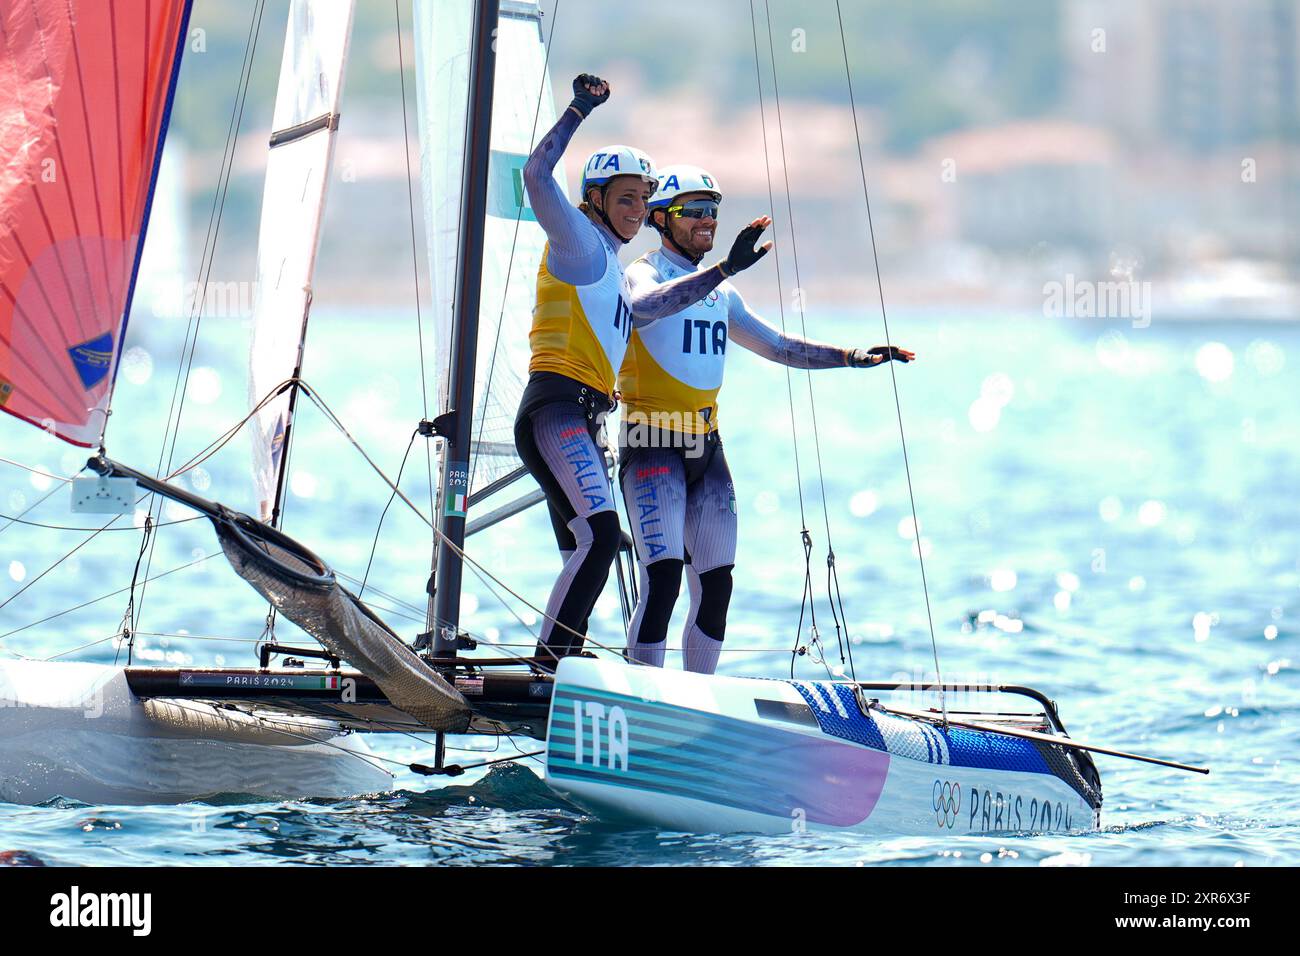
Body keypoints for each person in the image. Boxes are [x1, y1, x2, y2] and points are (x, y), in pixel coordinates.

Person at [618, 164, 915, 675]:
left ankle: (699, 700)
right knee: (664, 577)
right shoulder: (643, 272)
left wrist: (850, 356)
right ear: (661, 220)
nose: (707, 221)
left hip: (705, 448)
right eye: (694, 211)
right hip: (650, 443)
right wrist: (723, 269)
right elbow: (644, 310)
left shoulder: (722, 296)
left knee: (717, 583)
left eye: (712, 211)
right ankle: (640, 690)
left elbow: (779, 346)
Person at [516, 78, 773, 666]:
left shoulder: (612, 264)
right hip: (555, 409)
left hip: (588, 418)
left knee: (592, 549)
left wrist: (725, 272)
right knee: (602, 538)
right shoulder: (578, 238)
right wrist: (579, 109)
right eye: (624, 198)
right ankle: (548, 668)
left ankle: (565, 667)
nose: (635, 210)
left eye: (642, 199)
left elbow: (651, 312)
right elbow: (535, 175)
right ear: (597, 199)